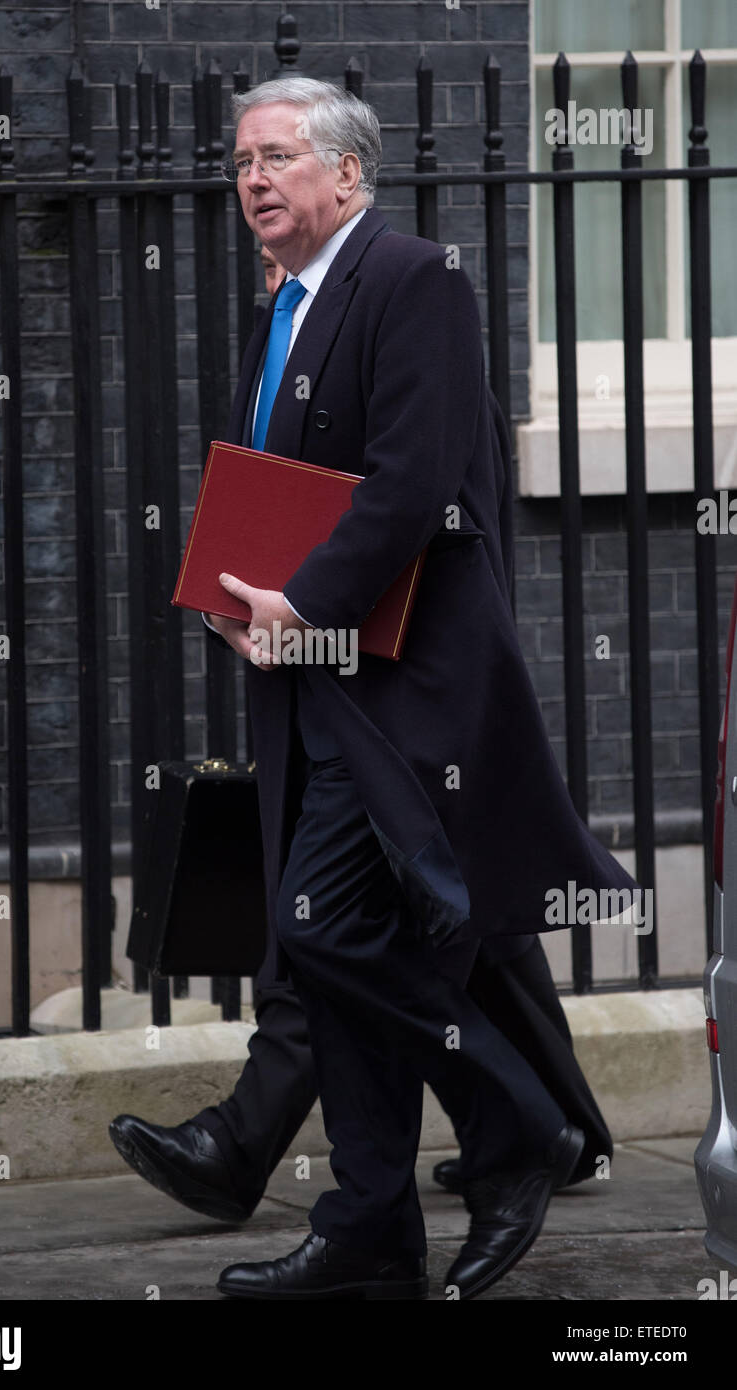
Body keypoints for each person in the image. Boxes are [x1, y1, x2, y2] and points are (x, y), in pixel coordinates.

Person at [126, 76, 641, 1301]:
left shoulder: (412, 279)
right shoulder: (289, 307)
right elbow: (288, 485)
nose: (249, 178)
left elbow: (413, 484)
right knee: (323, 951)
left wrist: (301, 603)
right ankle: (367, 1228)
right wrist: (243, 599)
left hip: (401, 689)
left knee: (319, 923)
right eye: (239, 159)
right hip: (313, 678)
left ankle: (516, 1126)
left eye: (276, 157)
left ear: (347, 175)